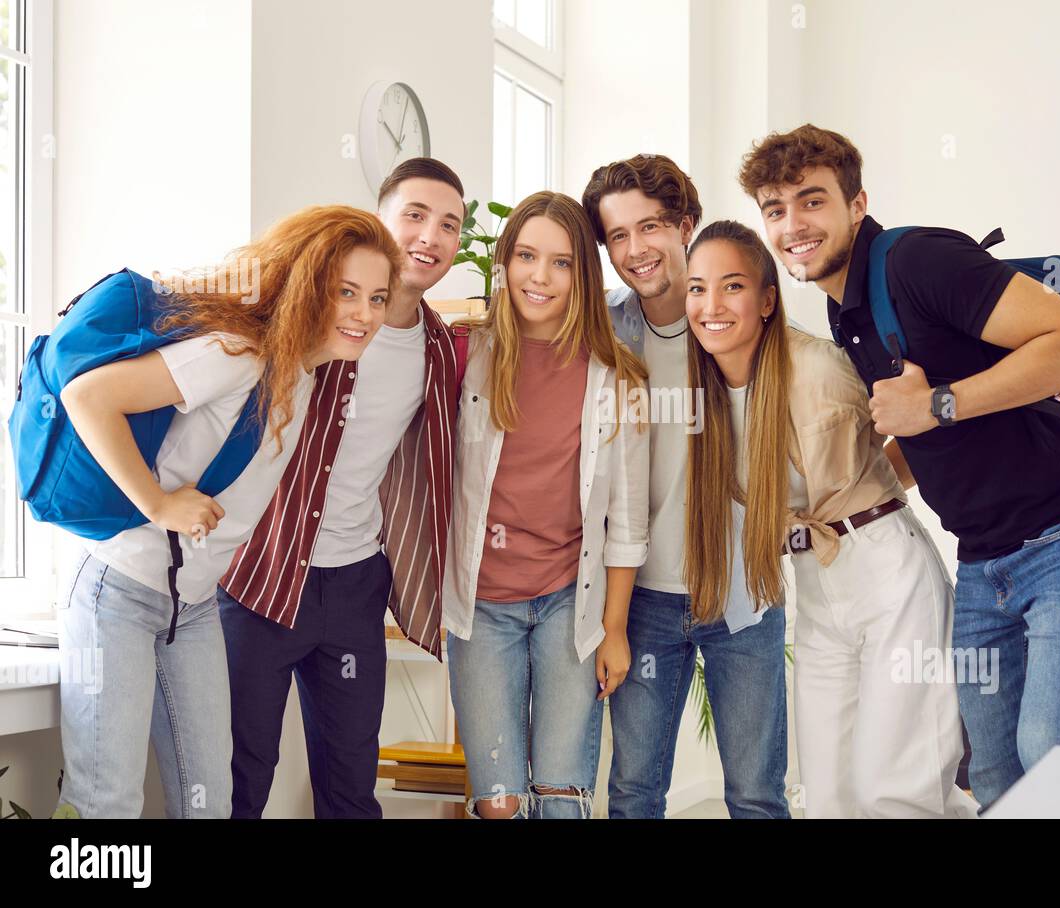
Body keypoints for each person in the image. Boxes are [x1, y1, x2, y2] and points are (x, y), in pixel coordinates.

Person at [740, 124, 1060, 809]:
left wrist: (938, 404)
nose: (793, 226)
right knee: (989, 776)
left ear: (857, 203)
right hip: (984, 560)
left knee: (1052, 765)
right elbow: (918, 432)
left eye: (812, 202)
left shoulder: (917, 261)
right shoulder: (846, 311)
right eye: (775, 210)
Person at [55, 206, 402, 818]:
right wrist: (159, 503)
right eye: (346, 292)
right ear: (309, 285)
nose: (365, 315)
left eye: (377, 298)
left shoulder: (304, 374)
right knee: (105, 801)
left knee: (209, 802)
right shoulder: (238, 353)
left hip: (189, 606)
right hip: (119, 588)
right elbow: (88, 396)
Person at [683, 219, 975, 818]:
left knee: (894, 790)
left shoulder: (818, 366)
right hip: (818, 591)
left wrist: (873, 492)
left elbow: (907, 424)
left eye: (731, 286)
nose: (711, 306)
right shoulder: (704, 393)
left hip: (887, 575)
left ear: (767, 300)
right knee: (829, 798)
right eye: (696, 288)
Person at [217, 158, 466, 818]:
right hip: (259, 577)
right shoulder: (307, 315)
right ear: (379, 219)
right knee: (242, 773)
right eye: (414, 215)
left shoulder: (441, 348)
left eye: (449, 225)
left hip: (355, 586)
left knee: (352, 782)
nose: (429, 237)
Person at [582, 155, 790, 818]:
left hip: (741, 599)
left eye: (650, 227)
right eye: (617, 236)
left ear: (686, 227)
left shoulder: (744, 330)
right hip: (641, 601)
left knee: (757, 792)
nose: (636, 249)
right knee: (634, 789)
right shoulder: (606, 331)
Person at [442, 190, 649, 819]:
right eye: (526, 256)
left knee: (562, 801)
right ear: (504, 264)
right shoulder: (465, 355)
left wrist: (613, 629)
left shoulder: (621, 377)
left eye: (561, 262)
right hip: (482, 609)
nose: (540, 276)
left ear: (582, 275)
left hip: (571, 606)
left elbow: (628, 524)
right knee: (498, 804)